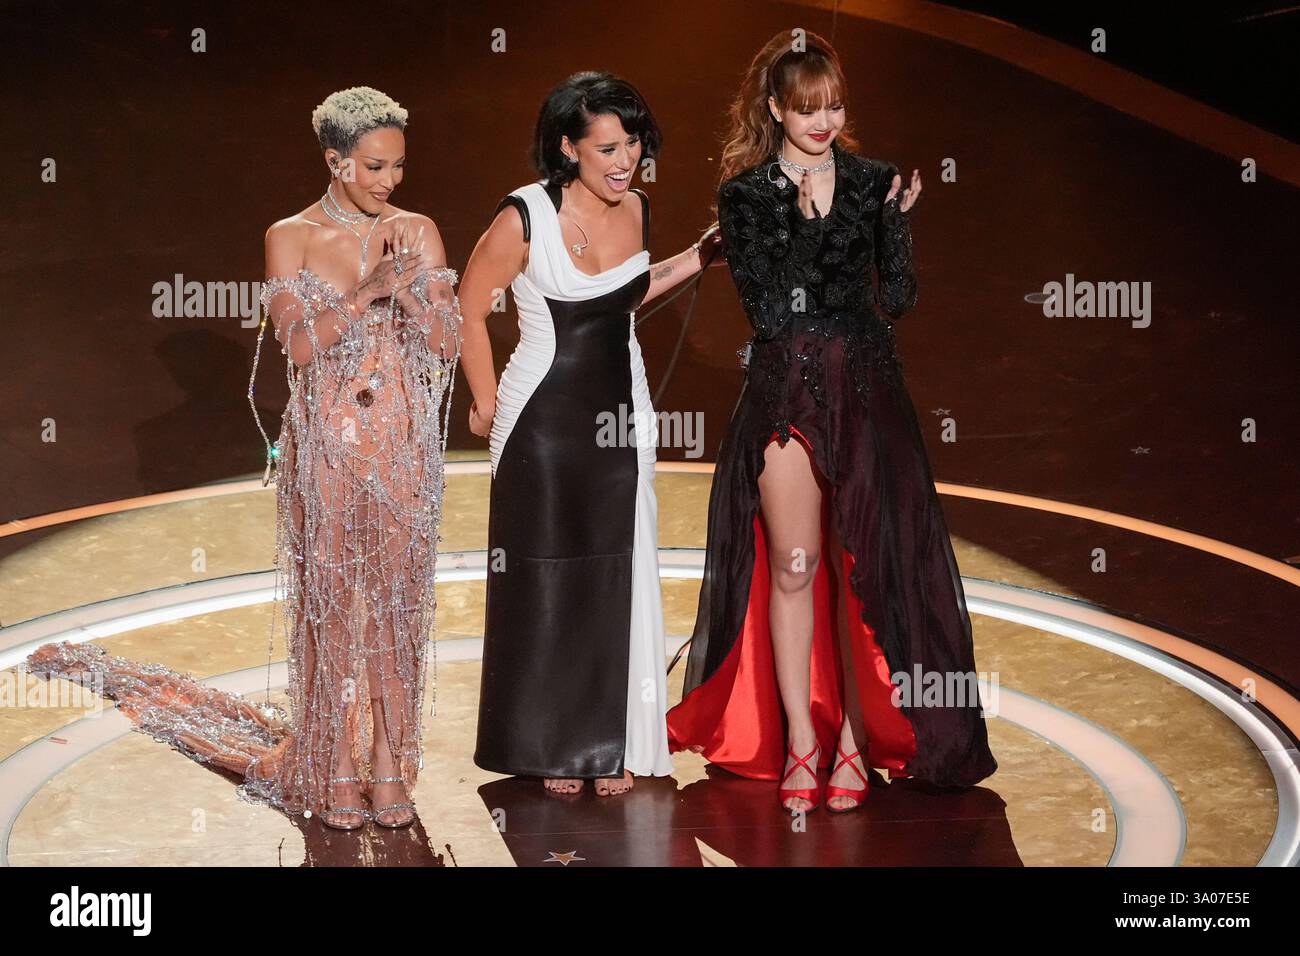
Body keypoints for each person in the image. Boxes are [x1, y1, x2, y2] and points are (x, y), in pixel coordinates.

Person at [28, 86, 463, 831]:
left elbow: (447, 346)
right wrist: (366, 293)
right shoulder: (288, 235)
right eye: (373, 166)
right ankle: (330, 762)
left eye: (396, 166)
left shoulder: (416, 230)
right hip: (324, 441)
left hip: (398, 444)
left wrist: (416, 296)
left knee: (395, 607)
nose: (389, 181)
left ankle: (389, 765)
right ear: (335, 160)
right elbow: (296, 347)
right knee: (331, 612)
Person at [665, 32, 997, 814]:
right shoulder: (745, 196)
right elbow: (771, 307)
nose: (823, 121)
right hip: (785, 389)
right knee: (793, 565)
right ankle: (801, 746)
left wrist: (897, 226)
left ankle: (851, 740)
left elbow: (898, 301)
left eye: (835, 105)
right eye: (807, 107)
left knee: (859, 570)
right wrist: (812, 220)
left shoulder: (874, 181)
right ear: (775, 107)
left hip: (867, 390)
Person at [458, 72, 717, 797]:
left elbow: (625, 300)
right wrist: (482, 403)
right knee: (545, 571)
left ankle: (617, 740)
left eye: (633, 142)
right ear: (568, 147)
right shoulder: (523, 218)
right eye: (606, 146)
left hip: (621, 409)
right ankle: (552, 743)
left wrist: (700, 255)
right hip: (539, 415)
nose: (624, 159)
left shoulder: (637, 207)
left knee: (618, 565)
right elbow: (468, 309)